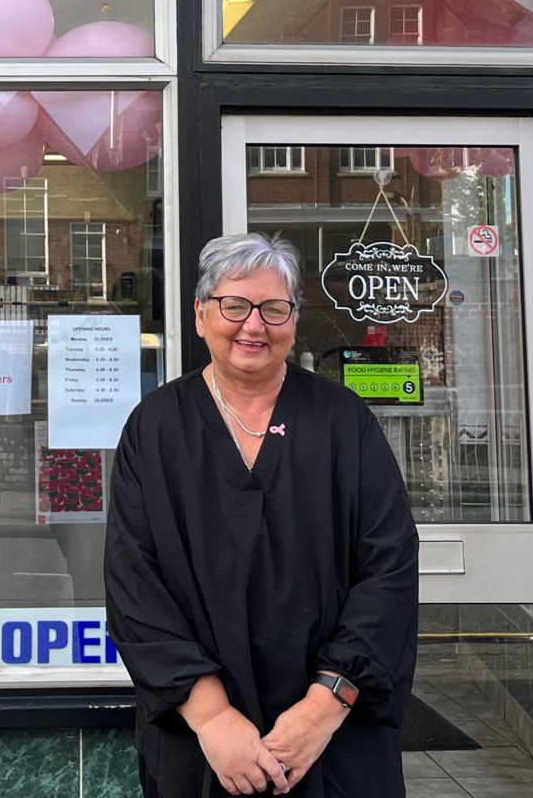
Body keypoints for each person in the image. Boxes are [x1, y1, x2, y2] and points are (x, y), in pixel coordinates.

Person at [106, 233, 419, 796]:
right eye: (235, 306)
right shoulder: (155, 430)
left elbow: (389, 568)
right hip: (202, 746)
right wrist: (211, 717)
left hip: (333, 740)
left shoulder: (342, 423)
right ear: (201, 315)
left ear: (294, 320)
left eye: (274, 308)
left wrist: (325, 705)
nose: (254, 325)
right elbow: (134, 581)